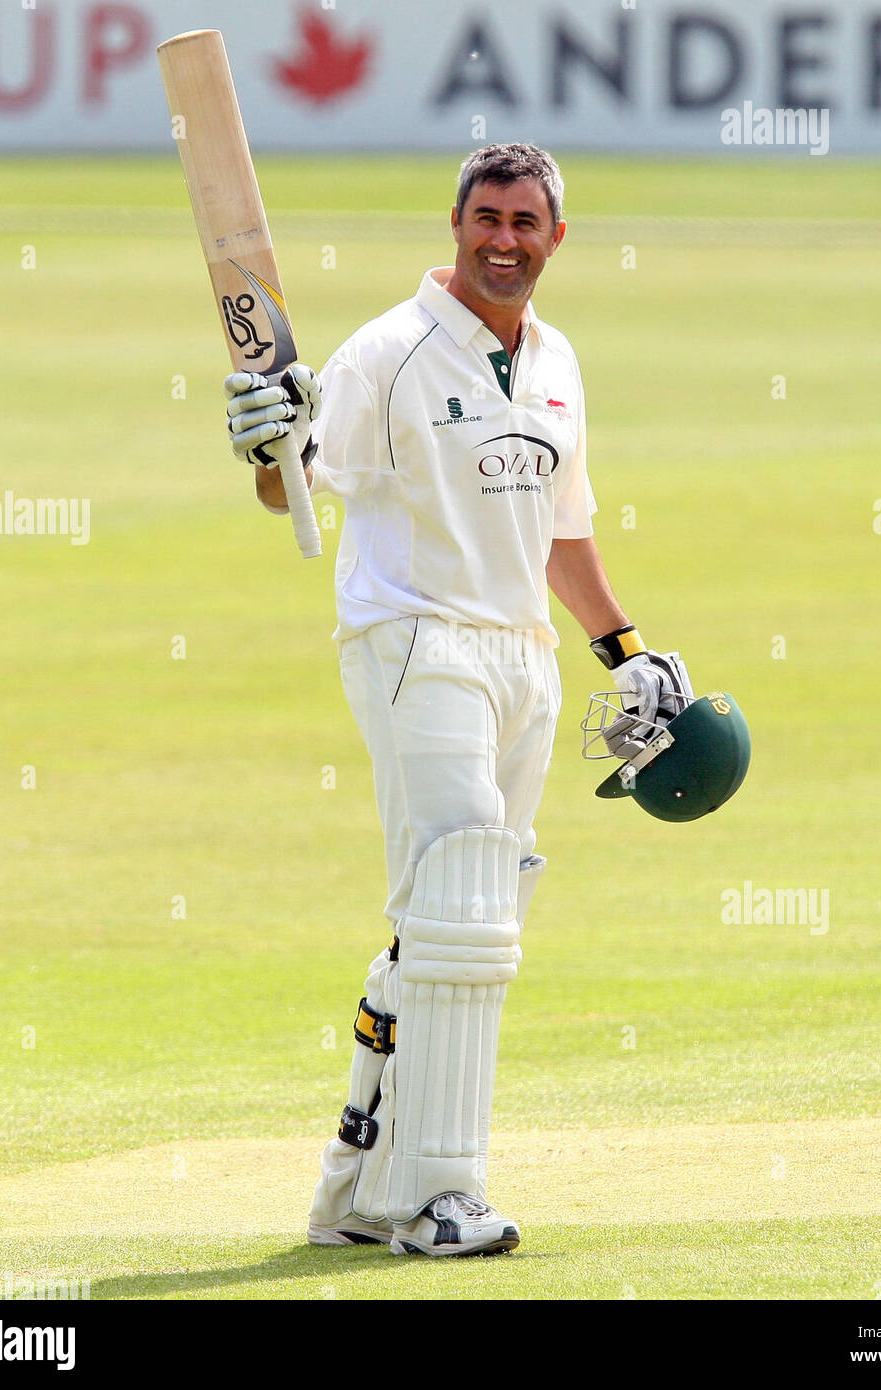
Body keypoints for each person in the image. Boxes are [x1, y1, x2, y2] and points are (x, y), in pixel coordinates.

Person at [223, 144, 693, 1257]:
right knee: (460, 896)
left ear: (555, 238)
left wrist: (621, 649)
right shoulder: (385, 353)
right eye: (486, 217)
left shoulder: (559, 359)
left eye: (525, 222)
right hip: (414, 639)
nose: (503, 239)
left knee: (459, 921)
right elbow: (287, 471)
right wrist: (262, 438)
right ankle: (440, 1197)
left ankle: (352, 1189)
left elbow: (561, 527)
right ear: (453, 223)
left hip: (522, 653)